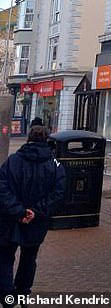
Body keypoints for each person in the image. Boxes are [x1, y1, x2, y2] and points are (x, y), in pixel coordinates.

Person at [0, 126, 66, 299]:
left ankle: (7, 294)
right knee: (29, 258)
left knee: (5, 257)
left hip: (11, 219)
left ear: (28, 138)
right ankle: (22, 292)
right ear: (46, 140)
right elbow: (58, 194)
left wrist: (19, 211)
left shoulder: (13, 161)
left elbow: (2, 189)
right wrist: (35, 212)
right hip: (37, 221)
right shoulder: (55, 165)